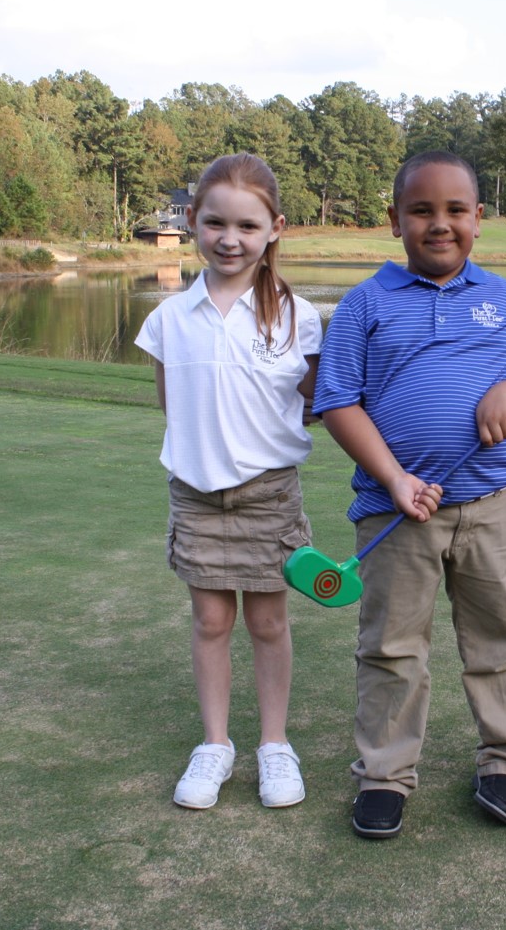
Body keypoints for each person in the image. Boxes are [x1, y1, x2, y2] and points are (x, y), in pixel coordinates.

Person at [314, 150, 506, 839]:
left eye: (456, 210)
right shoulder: (365, 303)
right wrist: (394, 479)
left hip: (493, 505)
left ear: (479, 220)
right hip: (397, 510)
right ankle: (385, 774)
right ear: (395, 219)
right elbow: (338, 401)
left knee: (497, 639)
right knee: (392, 647)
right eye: (421, 210)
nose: (439, 223)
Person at [135, 153, 322, 811]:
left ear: (275, 228)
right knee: (211, 620)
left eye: (247, 224)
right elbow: (170, 402)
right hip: (197, 493)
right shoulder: (168, 318)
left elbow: (318, 401)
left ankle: (275, 744)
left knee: (268, 621)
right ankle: (215, 743)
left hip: (269, 492)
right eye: (214, 222)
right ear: (192, 222)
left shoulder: (299, 316)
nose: (230, 237)